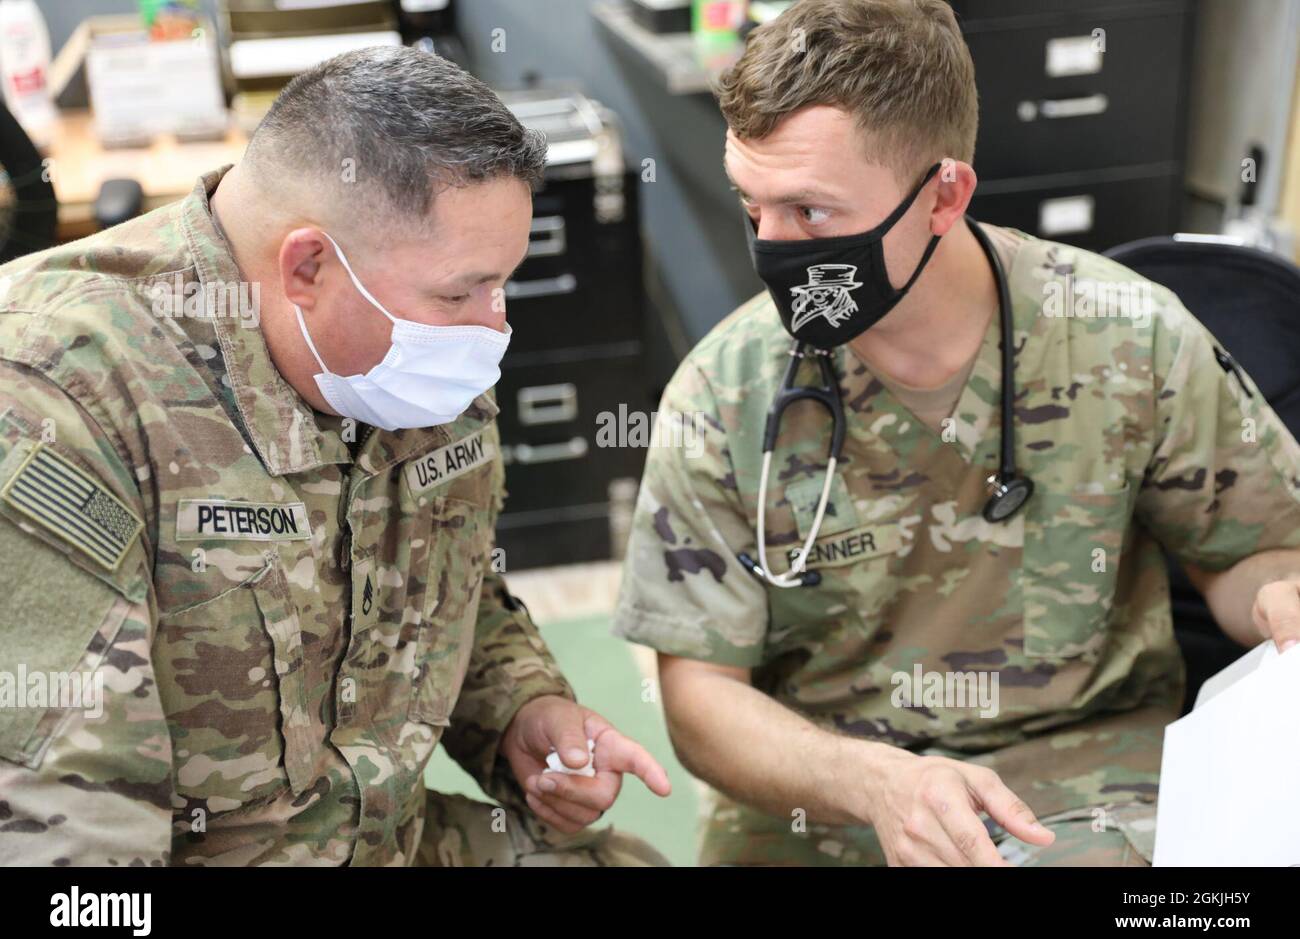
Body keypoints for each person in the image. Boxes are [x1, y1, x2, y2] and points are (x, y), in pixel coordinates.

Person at [612, 0, 1300, 866]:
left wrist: (1279, 593)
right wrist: (870, 781)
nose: (772, 246)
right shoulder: (725, 389)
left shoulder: (1129, 333)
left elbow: (1250, 552)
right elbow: (700, 697)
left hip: (1083, 790)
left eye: (811, 214)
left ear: (944, 195)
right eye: (753, 205)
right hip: (828, 796)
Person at [0, 47, 670, 866]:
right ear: (309, 266)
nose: (493, 328)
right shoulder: (54, 399)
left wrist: (522, 713)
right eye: (459, 293)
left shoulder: (408, 365)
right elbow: (63, 835)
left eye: (502, 287)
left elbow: (451, 585)